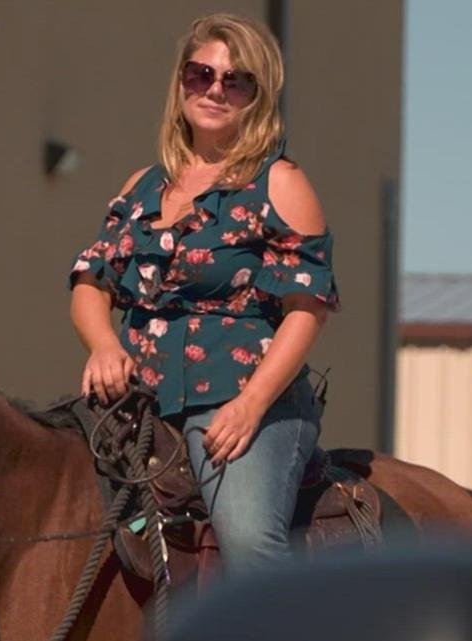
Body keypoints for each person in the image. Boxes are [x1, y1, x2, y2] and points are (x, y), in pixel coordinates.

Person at [68, 12, 339, 575]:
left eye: (235, 80)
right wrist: (102, 346)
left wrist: (251, 405)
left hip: (240, 404)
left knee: (248, 544)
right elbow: (91, 280)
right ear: (181, 84)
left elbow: (307, 309)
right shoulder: (141, 187)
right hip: (135, 401)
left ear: (257, 99)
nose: (215, 89)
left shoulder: (280, 183)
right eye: (201, 75)